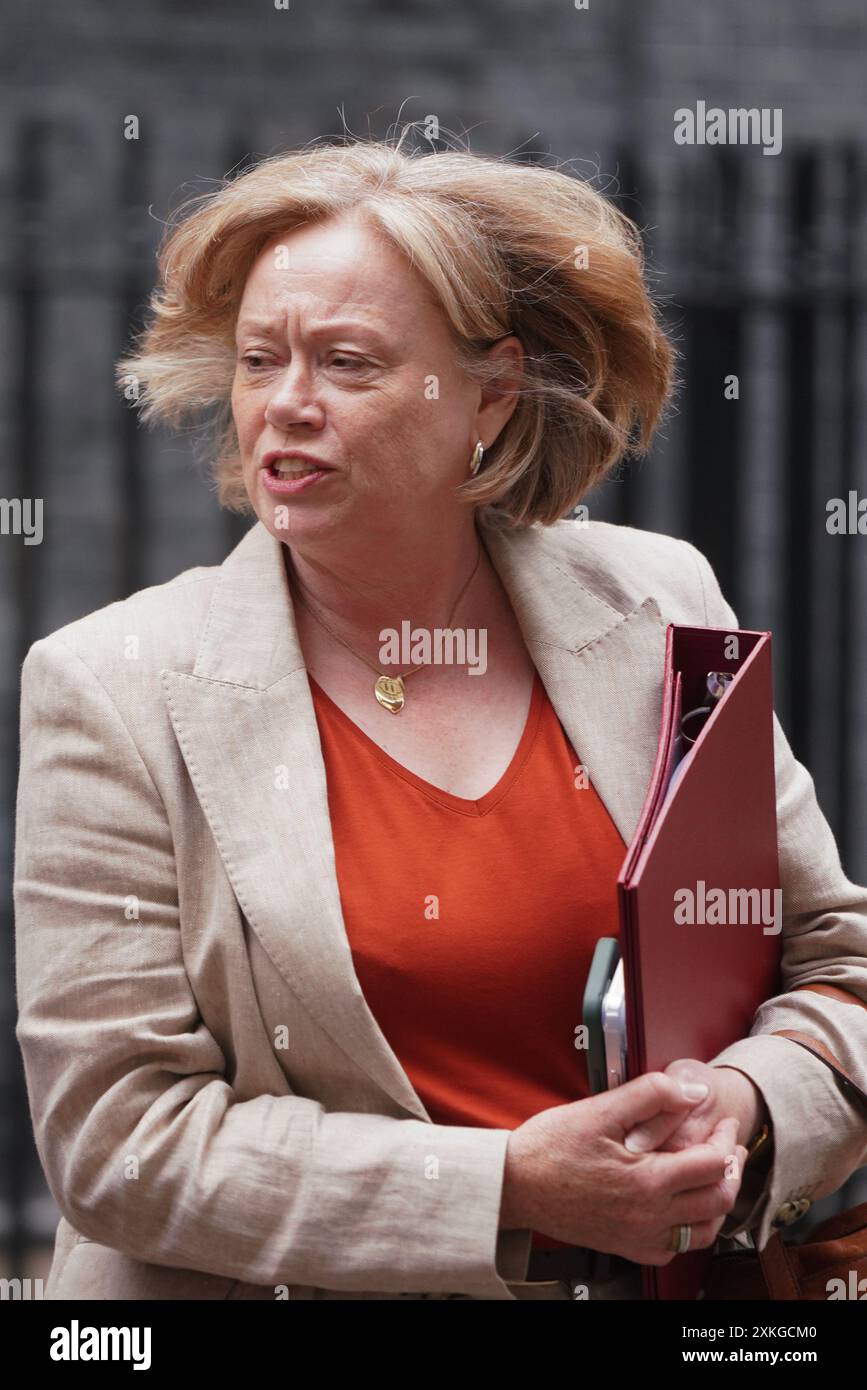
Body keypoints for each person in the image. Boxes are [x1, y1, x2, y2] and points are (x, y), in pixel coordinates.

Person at [14, 132, 867, 1301]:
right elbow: (117, 1143)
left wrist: (748, 1103)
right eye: (262, 361)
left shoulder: (660, 601)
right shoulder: (109, 685)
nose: (289, 405)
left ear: (492, 391)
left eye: (349, 362)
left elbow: (836, 962)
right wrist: (506, 1186)